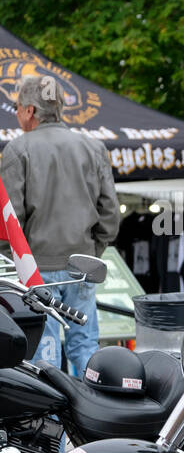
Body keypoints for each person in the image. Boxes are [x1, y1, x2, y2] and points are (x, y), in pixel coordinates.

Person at [1, 74, 118, 376]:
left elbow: (8, 218)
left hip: (38, 269)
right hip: (82, 266)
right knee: (85, 348)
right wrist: (92, 251)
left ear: (30, 111)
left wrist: (17, 261)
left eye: (18, 109)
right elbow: (110, 213)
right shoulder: (92, 148)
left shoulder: (18, 149)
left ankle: (52, 423)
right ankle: (90, 417)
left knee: (45, 352)